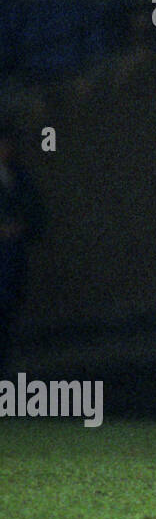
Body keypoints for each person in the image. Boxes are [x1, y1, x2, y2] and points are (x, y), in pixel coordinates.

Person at [0, 122, 46, 377]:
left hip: (13, 267)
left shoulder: (22, 178)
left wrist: (21, 227)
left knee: (8, 326)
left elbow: (38, 219)